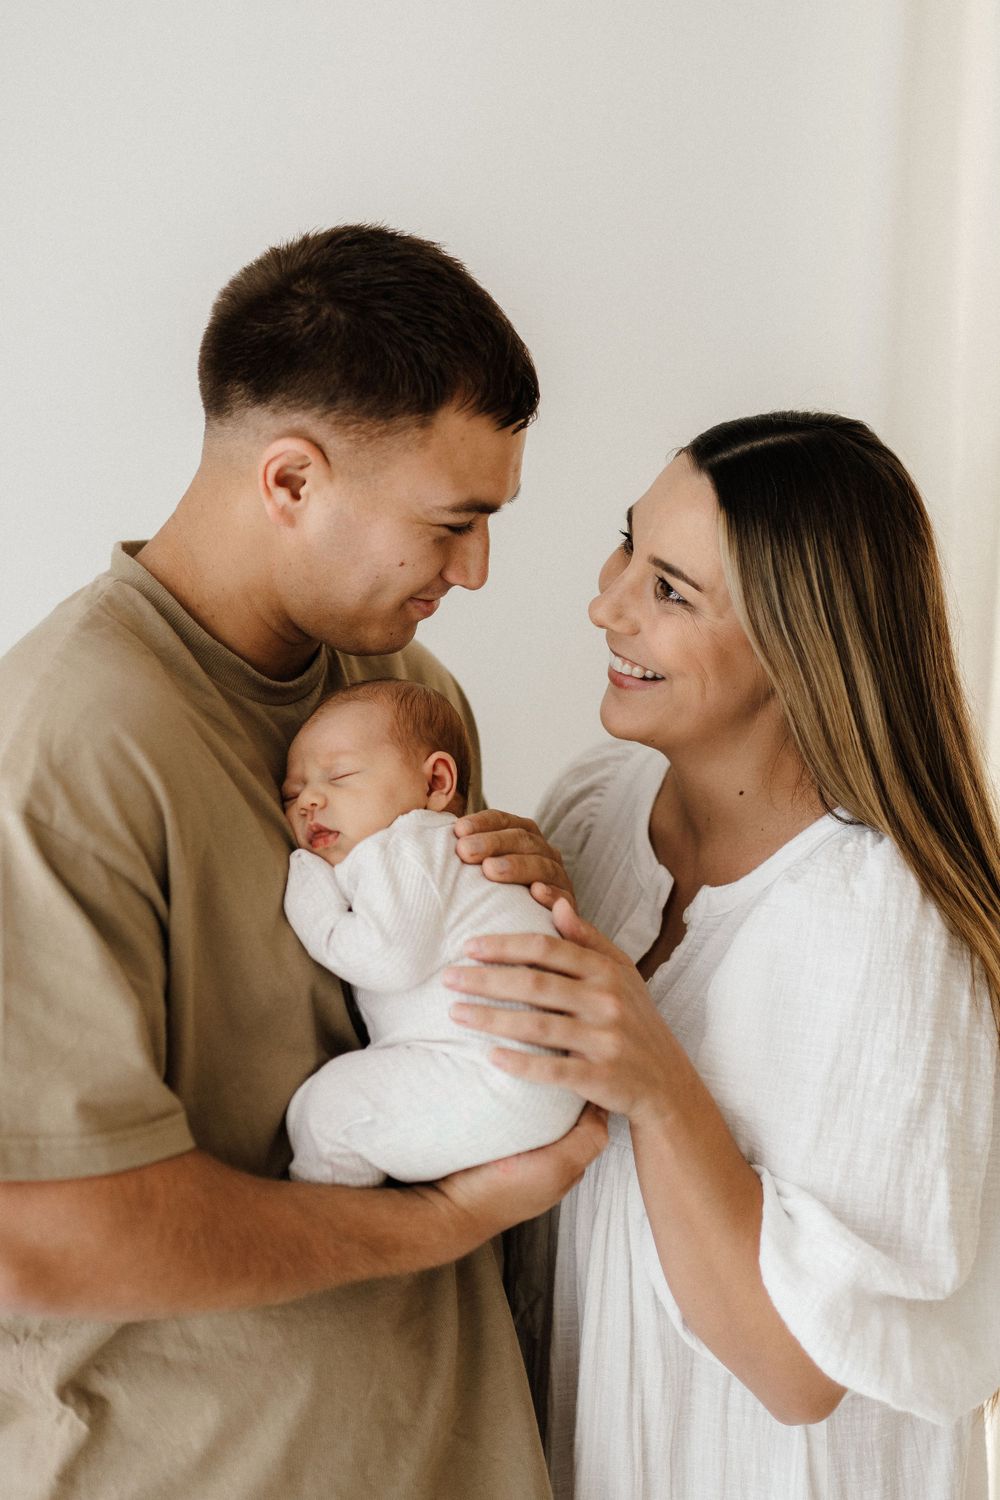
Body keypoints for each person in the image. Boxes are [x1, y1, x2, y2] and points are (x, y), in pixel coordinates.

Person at [0, 225, 605, 1500]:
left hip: (461, 1453)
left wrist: (523, 900)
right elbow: (44, 1233)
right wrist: (439, 1226)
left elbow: (438, 1048)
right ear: (290, 481)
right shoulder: (65, 744)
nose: (478, 570)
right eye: (454, 522)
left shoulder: (404, 691)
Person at [444, 411, 1000, 1499]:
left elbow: (796, 1374)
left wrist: (655, 1081)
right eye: (626, 547)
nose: (604, 604)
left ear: (797, 647)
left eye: (670, 591)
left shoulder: (889, 925)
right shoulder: (596, 811)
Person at [281, 678, 583, 1186]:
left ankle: (331, 1223)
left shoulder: (406, 845)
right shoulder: (439, 853)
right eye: (293, 794)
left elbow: (384, 958)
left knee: (325, 1112)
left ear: (436, 784)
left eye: (340, 776)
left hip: (495, 1076)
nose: (309, 800)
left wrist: (309, 891)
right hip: (527, 1078)